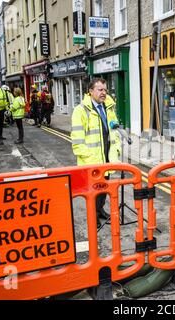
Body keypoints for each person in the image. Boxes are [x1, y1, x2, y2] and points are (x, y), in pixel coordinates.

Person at [71, 78, 121, 228]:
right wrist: (93, 159)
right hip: (91, 162)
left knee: (104, 190)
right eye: (100, 90)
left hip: (107, 158)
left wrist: (116, 150)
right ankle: (93, 216)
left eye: (105, 90)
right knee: (93, 193)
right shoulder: (81, 111)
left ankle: (100, 211)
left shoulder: (109, 107)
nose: (104, 93)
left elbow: (114, 132)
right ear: (91, 91)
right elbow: (77, 143)